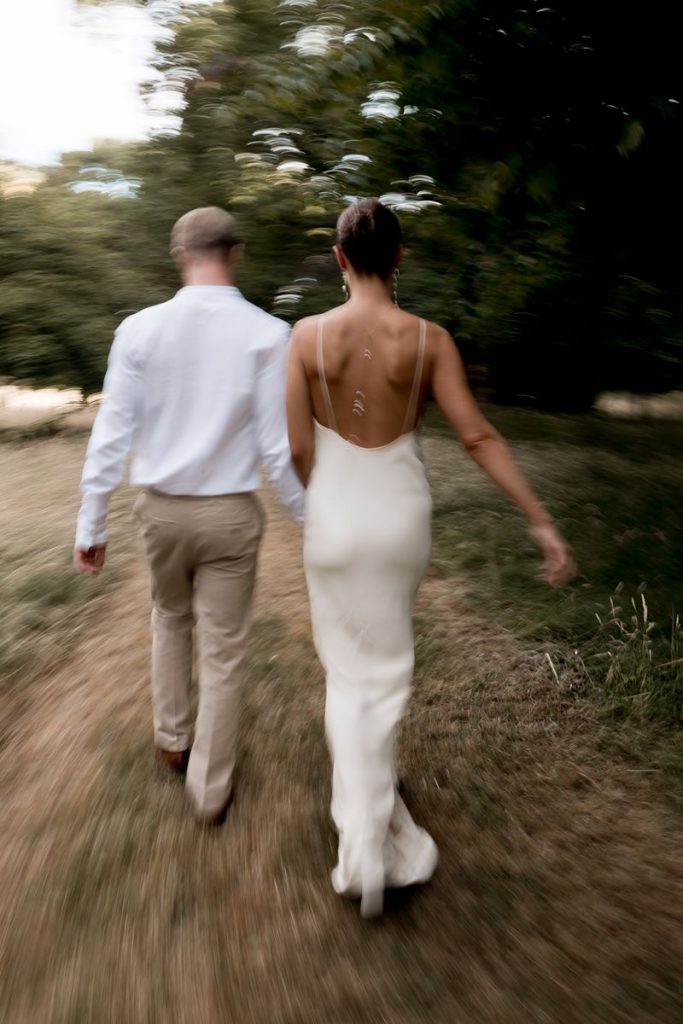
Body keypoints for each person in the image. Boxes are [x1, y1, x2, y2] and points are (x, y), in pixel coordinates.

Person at [286, 198, 574, 917]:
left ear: (339, 256)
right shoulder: (428, 339)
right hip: (398, 520)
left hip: (334, 514)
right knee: (382, 680)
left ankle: (363, 850)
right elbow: (477, 437)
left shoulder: (303, 338)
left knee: (346, 675)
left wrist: (325, 500)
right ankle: (373, 843)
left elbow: (296, 448)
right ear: (400, 258)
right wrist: (539, 520)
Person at [74, 206, 304, 825]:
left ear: (181, 254)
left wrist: (90, 524)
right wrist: (310, 519)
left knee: (169, 618)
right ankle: (210, 789)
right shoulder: (267, 334)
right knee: (224, 650)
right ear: (235, 253)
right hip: (231, 515)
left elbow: (111, 434)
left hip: (159, 513)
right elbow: (277, 448)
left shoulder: (139, 330)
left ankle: (173, 742)